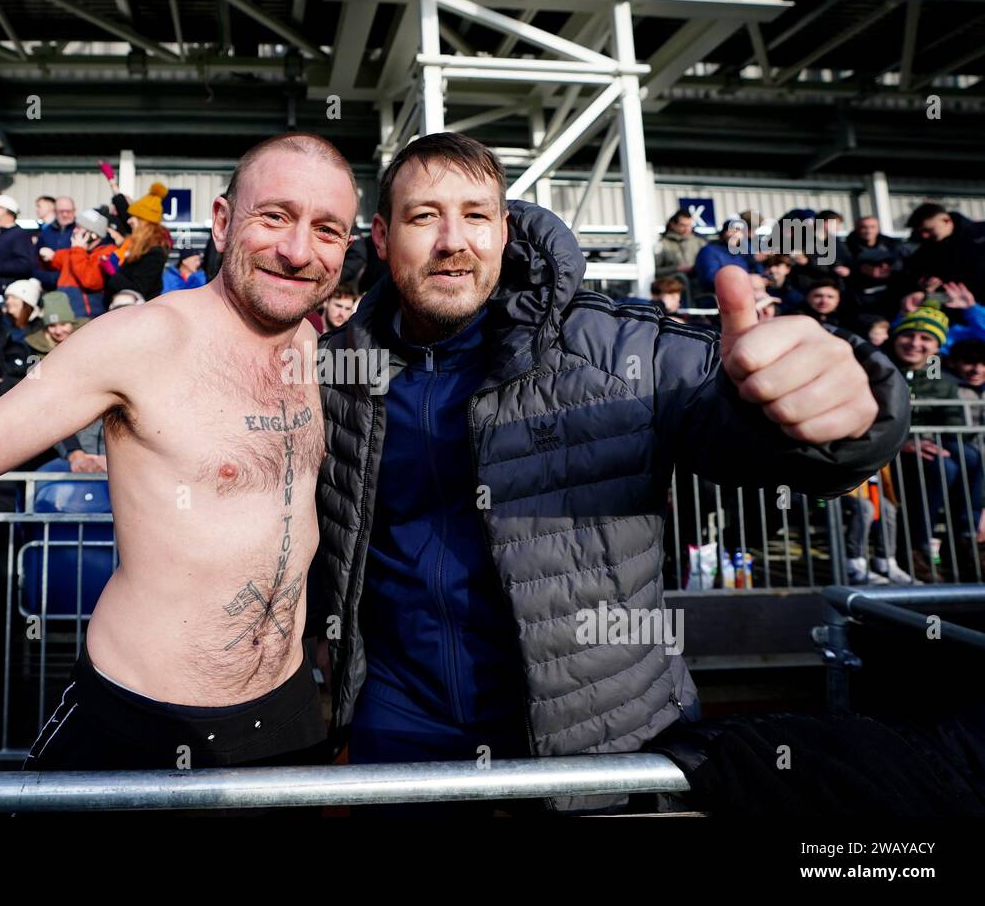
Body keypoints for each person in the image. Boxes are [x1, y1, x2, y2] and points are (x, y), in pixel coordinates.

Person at [312, 132, 908, 814]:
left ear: (505, 230)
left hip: (596, 738)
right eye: (425, 217)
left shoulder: (623, 344)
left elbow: (738, 425)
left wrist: (843, 410)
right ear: (382, 237)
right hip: (401, 730)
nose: (454, 240)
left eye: (476, 215)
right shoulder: (335, 370)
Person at [0, 132, 359, 774]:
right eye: (275, 216)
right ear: (222, 223)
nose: (297, 249)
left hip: (285, 712)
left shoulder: (324, 354)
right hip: (137, 719)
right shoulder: (139, 338)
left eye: (327, 229)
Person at [885, 305, 985, 567]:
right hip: (889, 453)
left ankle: (967, 536)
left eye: (925, 338)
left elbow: (952, 422)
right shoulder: (878, 368)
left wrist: (934, 442)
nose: (914, 343)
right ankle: (918, 545)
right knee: (943, 467)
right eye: (908, 335)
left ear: (937, 346)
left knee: (971, 456)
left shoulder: (943, 379)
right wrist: (905, 443)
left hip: (928, 447)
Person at [101, 183, 170, 303]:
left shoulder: (155, 253)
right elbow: (124, 212)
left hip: (141, 311)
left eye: (133, 217)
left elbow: (139, 288)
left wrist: (113, 272)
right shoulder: (140, 244)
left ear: (144, 222)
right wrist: (113, 185)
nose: (129, 220)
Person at [43, 208, 112, 317]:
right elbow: (56, 259)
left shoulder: (106, 254)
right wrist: (47, 257)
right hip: (66, 316)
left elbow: (90, 281)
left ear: (93, 235)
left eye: (79, 228)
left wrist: (78, 250)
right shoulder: (75, 252)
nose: (74, 231)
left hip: (87, 318)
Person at [693, 216, 756, 294]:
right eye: (731, 230)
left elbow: (754, 271)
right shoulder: (709, 251)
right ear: (723, 233)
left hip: (744, 292)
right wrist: (742, 280)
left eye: (739, 231)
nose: (735, 234)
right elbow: (710, 279)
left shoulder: (742, 254)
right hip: (720, 295)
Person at [25, 292, 87, 356]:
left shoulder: (88, 335)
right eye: (52, 326)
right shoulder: (34, 347)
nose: (58, 331)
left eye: (63, 324)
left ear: (72, 322)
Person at [654, 210, 703, 277]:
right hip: (674, 285)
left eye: (689, 225)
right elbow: (655, 271)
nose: (687, 229)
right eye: (682, 225)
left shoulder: (700, 242)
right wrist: (677, 269)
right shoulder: (662, 244)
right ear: (673, 225)